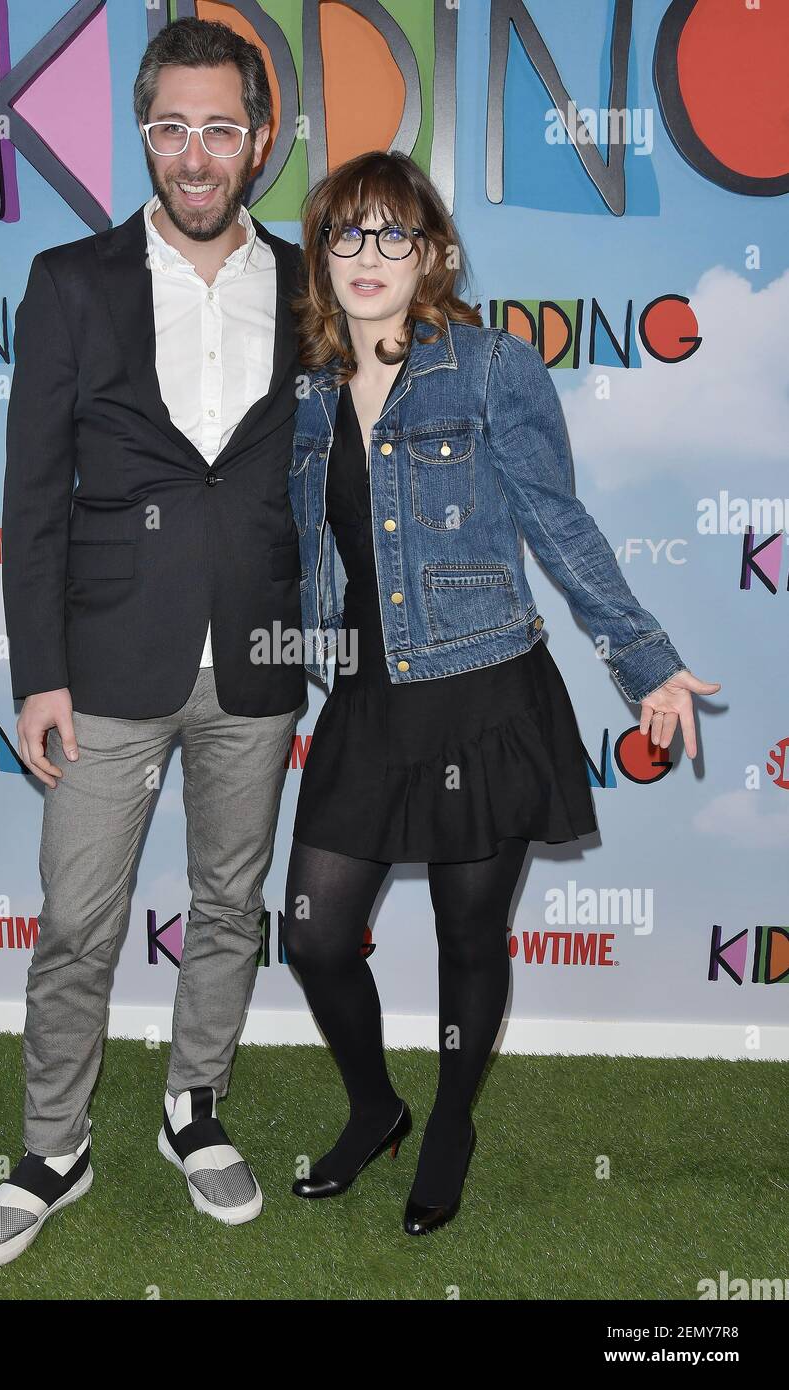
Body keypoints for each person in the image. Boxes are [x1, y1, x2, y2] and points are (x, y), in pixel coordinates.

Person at [282, 149, 721, 1236]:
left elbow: (556, 522)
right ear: (321, 256)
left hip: (485, 691)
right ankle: (377, 1104)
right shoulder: (302, 392)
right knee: (314, 936)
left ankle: (449, 1124)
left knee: (469, 937)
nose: (369, 256)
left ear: (433, 253)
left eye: (394, 234)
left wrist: (643, 654)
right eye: (347, 233)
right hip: (370, 699)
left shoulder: (489, 367)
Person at [0, 17, 307, 1266]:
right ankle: (57, 1144)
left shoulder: (313, 283)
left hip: (259, 659)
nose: (195, 156)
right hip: (103, 665)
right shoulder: (71, 282)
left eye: (220, 129)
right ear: (144, 137)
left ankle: (191, 1109)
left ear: (259, 140)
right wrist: (35, 671)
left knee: (229, 902)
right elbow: (30, 495)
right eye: (171, 130)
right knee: (77, 921)